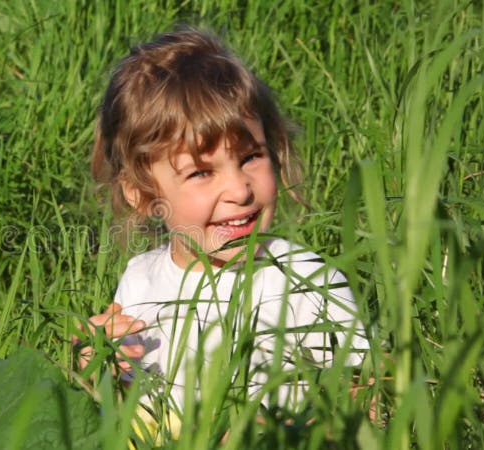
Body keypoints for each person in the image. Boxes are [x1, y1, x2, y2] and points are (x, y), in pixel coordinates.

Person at [76, 28, 369, 414]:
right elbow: (133, 407)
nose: (239, 189)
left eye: (251, 157)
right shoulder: (140, 280)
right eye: (201, 173)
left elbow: (365, 399)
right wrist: (100, 365)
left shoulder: (306, 280)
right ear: (143, 195)